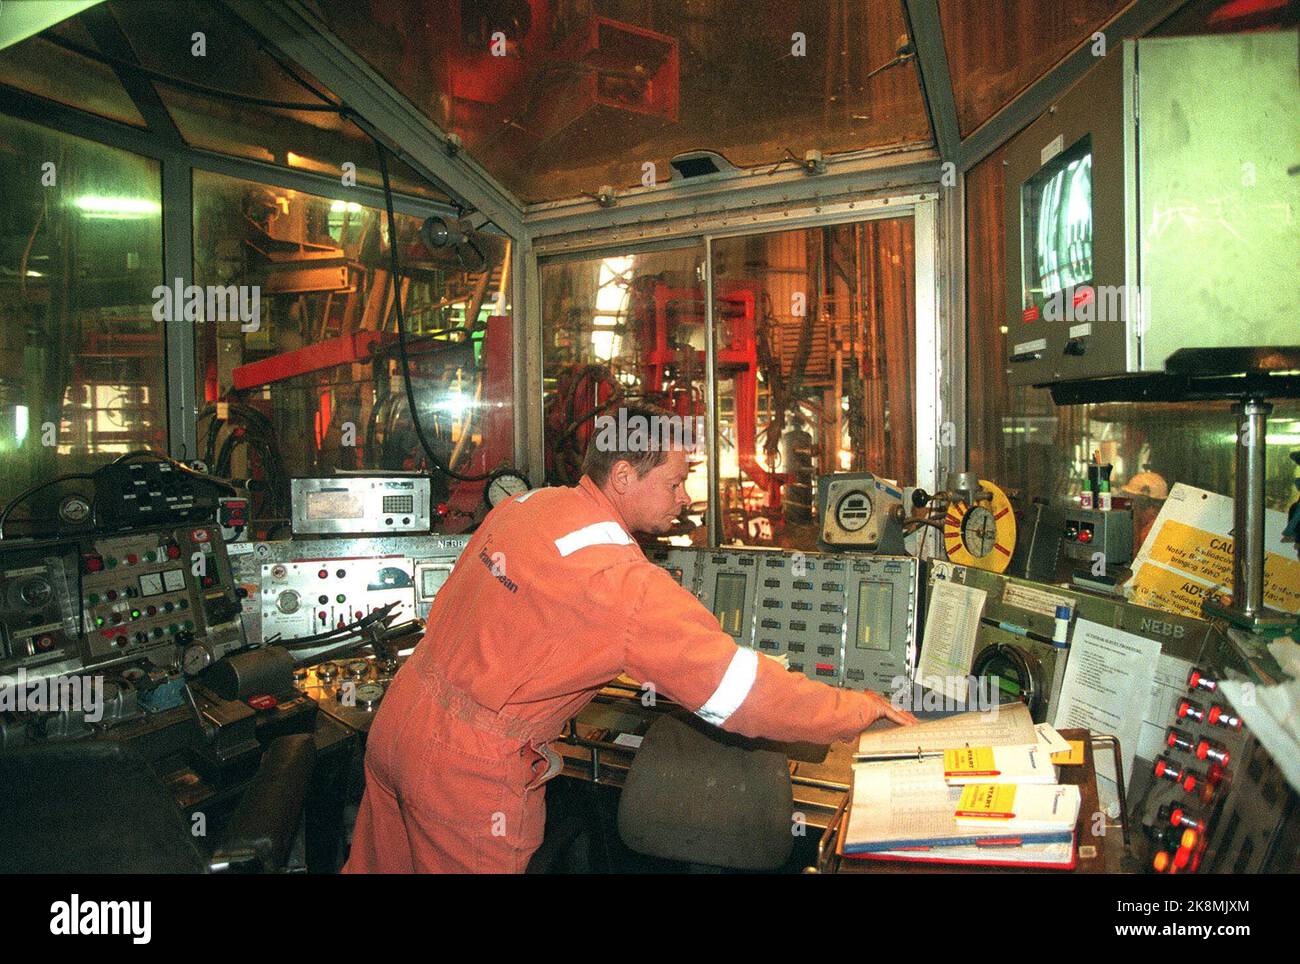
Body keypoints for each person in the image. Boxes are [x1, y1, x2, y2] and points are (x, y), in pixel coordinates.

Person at [342, 402, 918, 873]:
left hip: (399, 724)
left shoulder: (527, 504)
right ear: (622, 477)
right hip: (466, 773)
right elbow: (742, 695)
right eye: (675, 482)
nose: (685, 498)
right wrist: (856, 711)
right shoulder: (622, 583)